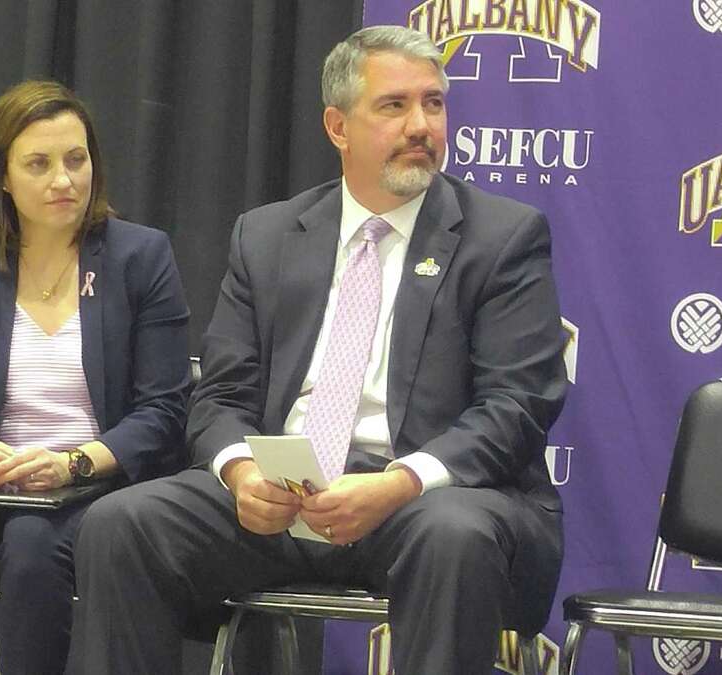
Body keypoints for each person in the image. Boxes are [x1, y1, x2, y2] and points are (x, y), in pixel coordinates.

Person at [74, 25, 567, 673]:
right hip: (291, 498)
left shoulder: (502, 237)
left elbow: (518, 405)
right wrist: (243, 474)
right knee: (122, 521)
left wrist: (398, 482)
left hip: (425, 504)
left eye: (434, 103)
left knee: (453, 534)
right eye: (394, 106)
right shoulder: (269, 235)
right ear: (338, 127)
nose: (422, 124)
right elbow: (221, 396)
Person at [0, 80, 190, 675]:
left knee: (31, 541)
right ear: (1, 176)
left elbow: (163, 413)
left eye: (77, 160)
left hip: (97, 489)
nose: (64, 180)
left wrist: (71, 462)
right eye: (40, 164)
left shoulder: (140, 257)